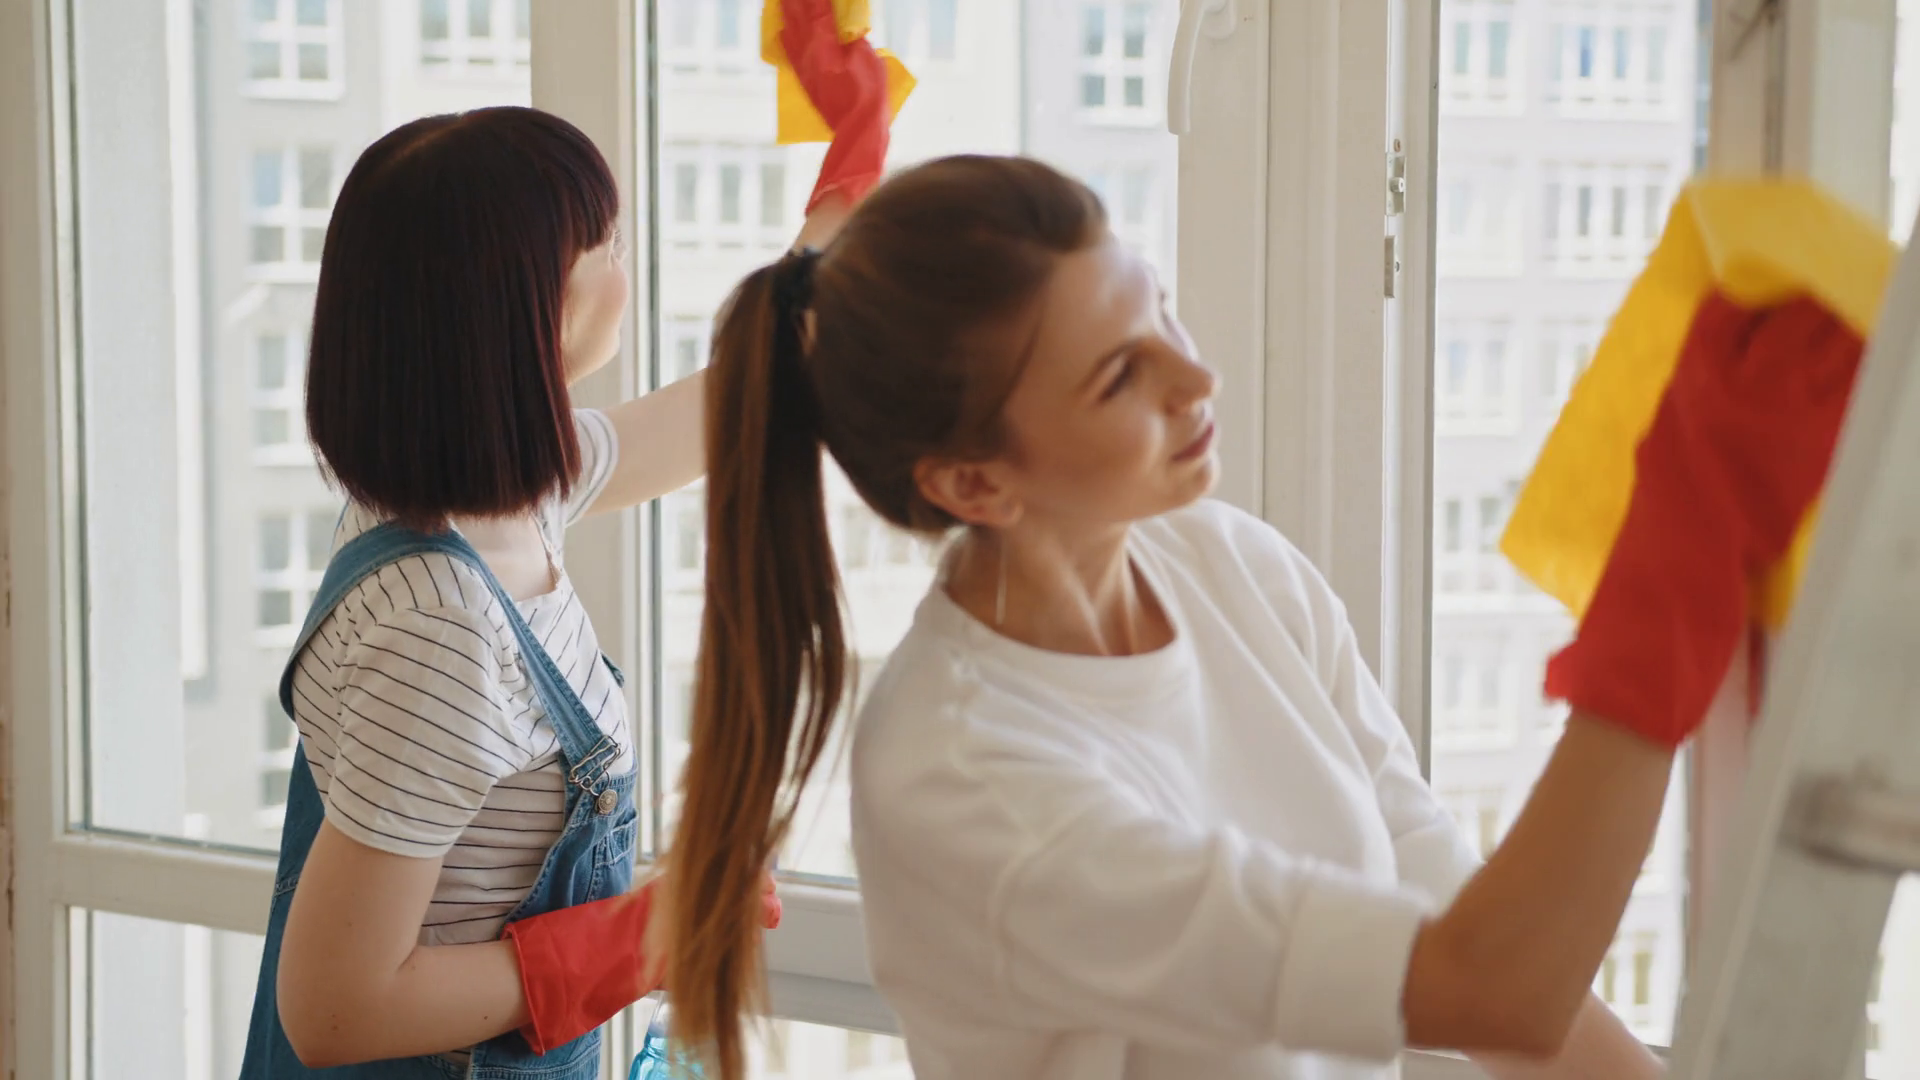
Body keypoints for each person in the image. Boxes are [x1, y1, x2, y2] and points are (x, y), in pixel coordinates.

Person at [660, 154, 1862, 1078]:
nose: (1197, 378)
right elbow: (1492, 985)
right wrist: (1674, 564)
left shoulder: (1230, 566)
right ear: (973, 483)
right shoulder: (968, 781)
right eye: (1121, 374)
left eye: (1163, 313)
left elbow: (1471, 937)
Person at [237, 106, 783, 1079]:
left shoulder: (497, 490)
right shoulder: (438, 626)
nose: (628, 265)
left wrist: (836, 228)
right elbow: (332, 1009)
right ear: (534, 310)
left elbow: (703, 419)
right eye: (608, 245)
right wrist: (644, 937)